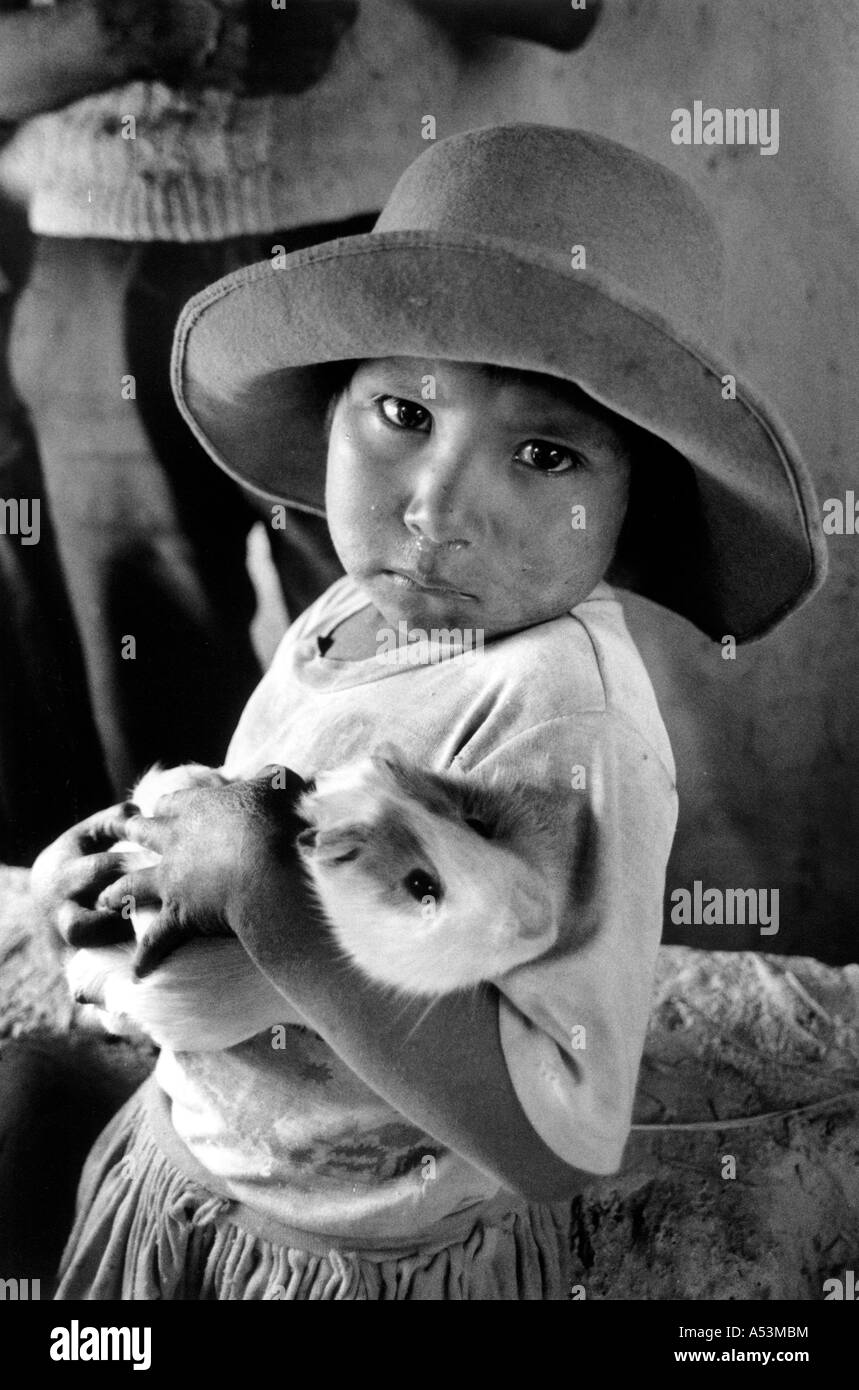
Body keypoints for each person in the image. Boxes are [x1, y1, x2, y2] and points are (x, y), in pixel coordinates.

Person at [32, 125, 827, 1301]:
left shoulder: (568, 727)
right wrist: (129, 871)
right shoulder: (352, 609)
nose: (438, 510)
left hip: (362, 1257)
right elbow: (290, 800)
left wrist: (265, 893)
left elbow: (555, 1146)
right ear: (333, 401)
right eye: (404, 414)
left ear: (634, 501)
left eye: (547, 454)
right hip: (199, 1178)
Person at [0, 0, 600, 804]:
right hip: (96, 260)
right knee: (153, 734)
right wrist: (135, 31)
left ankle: (408, 921)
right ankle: (196, 916)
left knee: (433, 680)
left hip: (395, 248)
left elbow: (564, 12)